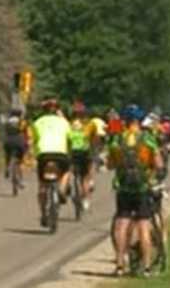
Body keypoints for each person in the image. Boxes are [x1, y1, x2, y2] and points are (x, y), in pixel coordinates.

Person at [107, 104, 163, 277]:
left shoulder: (118, 138)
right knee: (143, 226)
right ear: (140, 120)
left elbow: (110, 164)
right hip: (142, 187)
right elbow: (159, 164)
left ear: (125, 120)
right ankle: (146, 267)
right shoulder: (147, 138)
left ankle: (119, 265)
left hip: (123, 187)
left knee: (121, 224)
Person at [31, 99, 72, 228]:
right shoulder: (64, 122)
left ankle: (43, 213)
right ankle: (61, 189)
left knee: (42, 184)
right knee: (66, 171)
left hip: (43, 154)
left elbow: (34, 140)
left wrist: (33, 154)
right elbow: (69, 138)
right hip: (60, 153)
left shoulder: (37, 122)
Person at [67, 101, 97, 212]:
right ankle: (85, 200)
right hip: (85, 152)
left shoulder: (69, 124)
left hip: (72, 153)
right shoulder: (90, 124)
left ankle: (70, 186)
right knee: (85, 178)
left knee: (71, 172)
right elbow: (95, 139)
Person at [1, 107, 30, 188]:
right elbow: (26, 134)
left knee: (7, 154)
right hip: (19, 141)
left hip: (8, 140)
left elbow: (4, 131)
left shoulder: (7, 122)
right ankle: (20, 178)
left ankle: (7, 167)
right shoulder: (22, 122)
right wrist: (27, 143)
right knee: (20, 160)